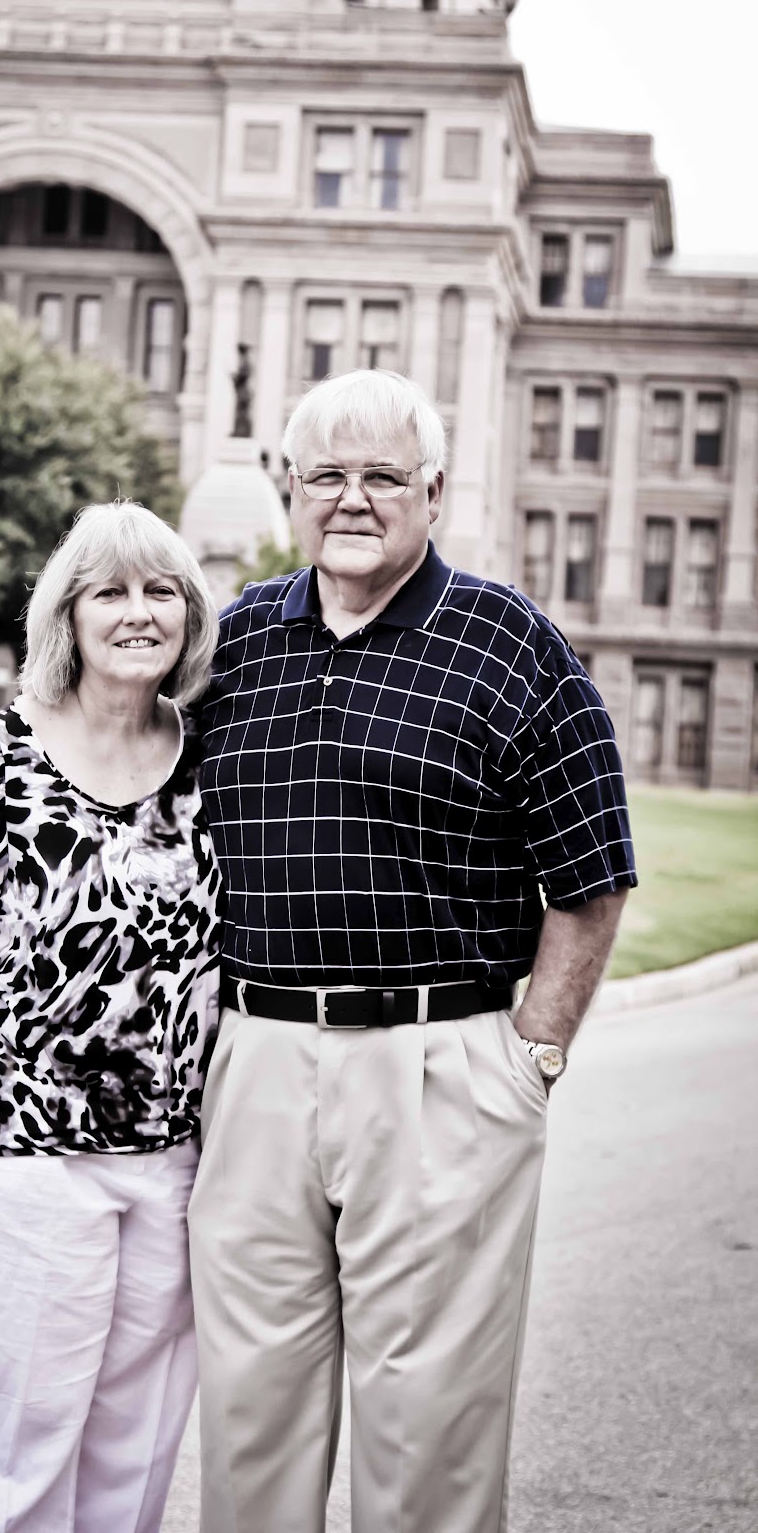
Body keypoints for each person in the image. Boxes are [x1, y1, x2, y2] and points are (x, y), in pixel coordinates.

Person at [188, 368, 637, 1533]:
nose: (350, 498)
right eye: (325, 474)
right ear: (287, 487)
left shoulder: (509, 646)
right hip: (253, 1062)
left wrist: (528, 1057)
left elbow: (590, 880)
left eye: (381, 476)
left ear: (432, 491)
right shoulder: (237, 641)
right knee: (248, 1406)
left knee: (425, 1423)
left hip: (442, 1065)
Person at [0, 502, 221, 1533]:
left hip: (171, 1172)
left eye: (161, 591)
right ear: (64, 615)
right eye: (108, 591)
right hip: (19, 1173)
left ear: (190, 617)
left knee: (132, 1462)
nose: (136, 612)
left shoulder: (208, 762)